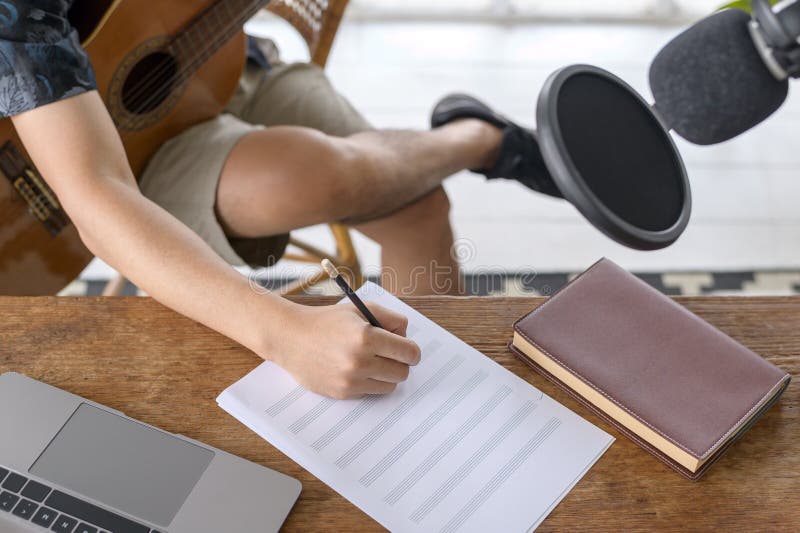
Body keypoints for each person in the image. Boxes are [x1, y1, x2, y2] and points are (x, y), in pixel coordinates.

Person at [2, 2, 552, 399]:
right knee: (311, 176)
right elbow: (98, 192)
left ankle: (447, 410)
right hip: (101, 156)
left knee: (419, 208)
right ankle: (479, 140)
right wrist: (285, 332)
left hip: (220, 57)